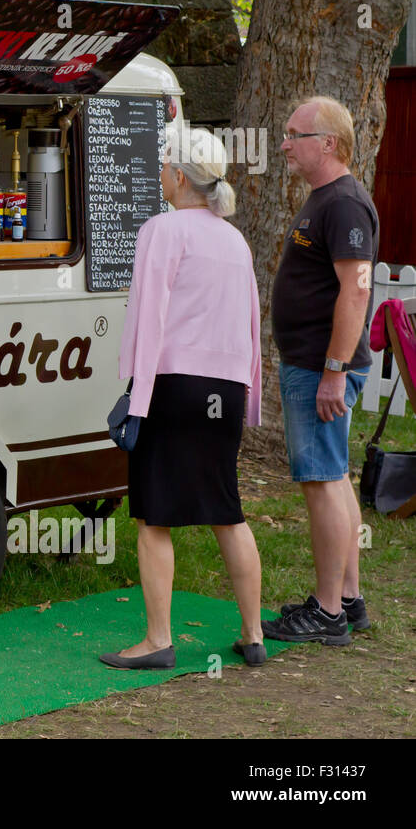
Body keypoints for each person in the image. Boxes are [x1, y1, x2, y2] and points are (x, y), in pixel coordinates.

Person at [100, 126, 266, 670]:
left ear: (178, 174)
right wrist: (251, 399)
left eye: (164, 165)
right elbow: (250, 324)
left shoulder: (163, 229)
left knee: (154, 518)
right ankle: (253, 633)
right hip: (226, 389)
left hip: (173, 385)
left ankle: (158, 640)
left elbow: (147, 317)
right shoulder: (235, 240)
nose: (159, 173)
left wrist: (136, 393)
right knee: (227, 511)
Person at [261, 97, 379, 646]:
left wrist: (334, 370)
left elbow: (356, 292)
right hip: (314, 364)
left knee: (322, 482)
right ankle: (348, 598)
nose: (285, 143)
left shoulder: (345, 203)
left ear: (328, 143)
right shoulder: (326, 199)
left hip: (320, 368)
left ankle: (328, 612)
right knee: (333, 477)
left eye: (295, 134)